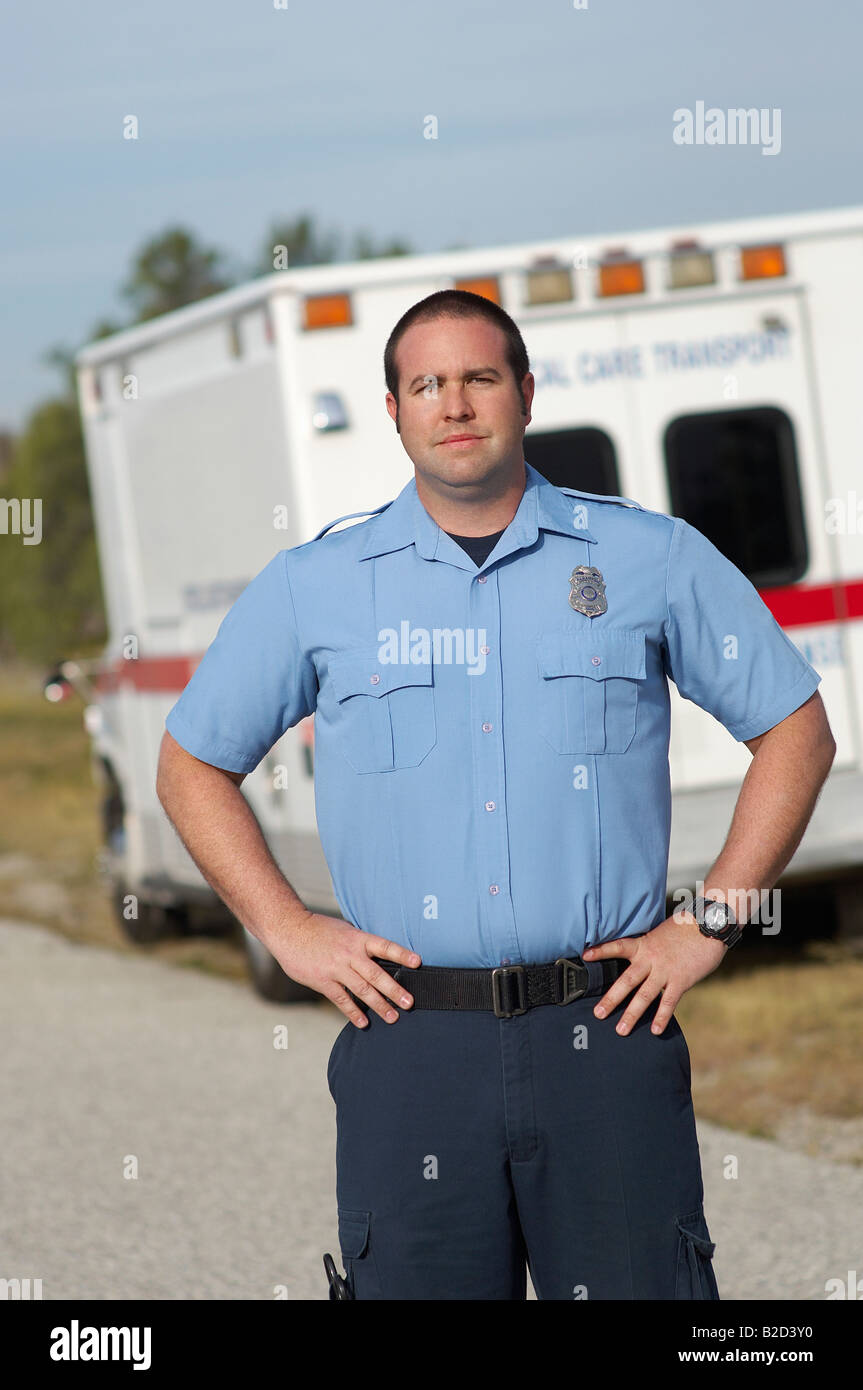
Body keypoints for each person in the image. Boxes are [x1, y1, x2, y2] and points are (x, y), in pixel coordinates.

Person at [156, 289, 835, 1301]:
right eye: (426, 384)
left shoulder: (644, 557)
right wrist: (287, 927)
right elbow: (189, 764)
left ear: (524, 390)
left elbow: (795, 730)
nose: (454, 404)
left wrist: (707, 925)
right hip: (409, 1048)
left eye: (478, 377)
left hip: (603, 1034)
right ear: (393, 410)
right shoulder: (317, 584)